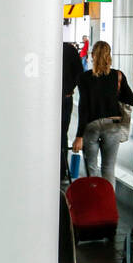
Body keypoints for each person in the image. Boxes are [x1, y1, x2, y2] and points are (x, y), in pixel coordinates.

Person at [72, 41, 133, 187]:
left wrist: (79, 136)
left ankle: (94, 205)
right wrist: (113, 95)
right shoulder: (117, 75)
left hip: (91, 126)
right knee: (108, 169)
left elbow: (84, 108)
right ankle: (108, 206)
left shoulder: (84, 78)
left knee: (91, 169)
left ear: (92, 55)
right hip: (112, 126)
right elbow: (131, 100)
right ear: (109, 56)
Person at [61, 40, 82, 182]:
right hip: (65, 98)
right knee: (62, 134)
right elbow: (79, 74)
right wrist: (69, 88)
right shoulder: (70, 50)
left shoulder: (39, 45)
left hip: (42, 100)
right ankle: (61, 171)